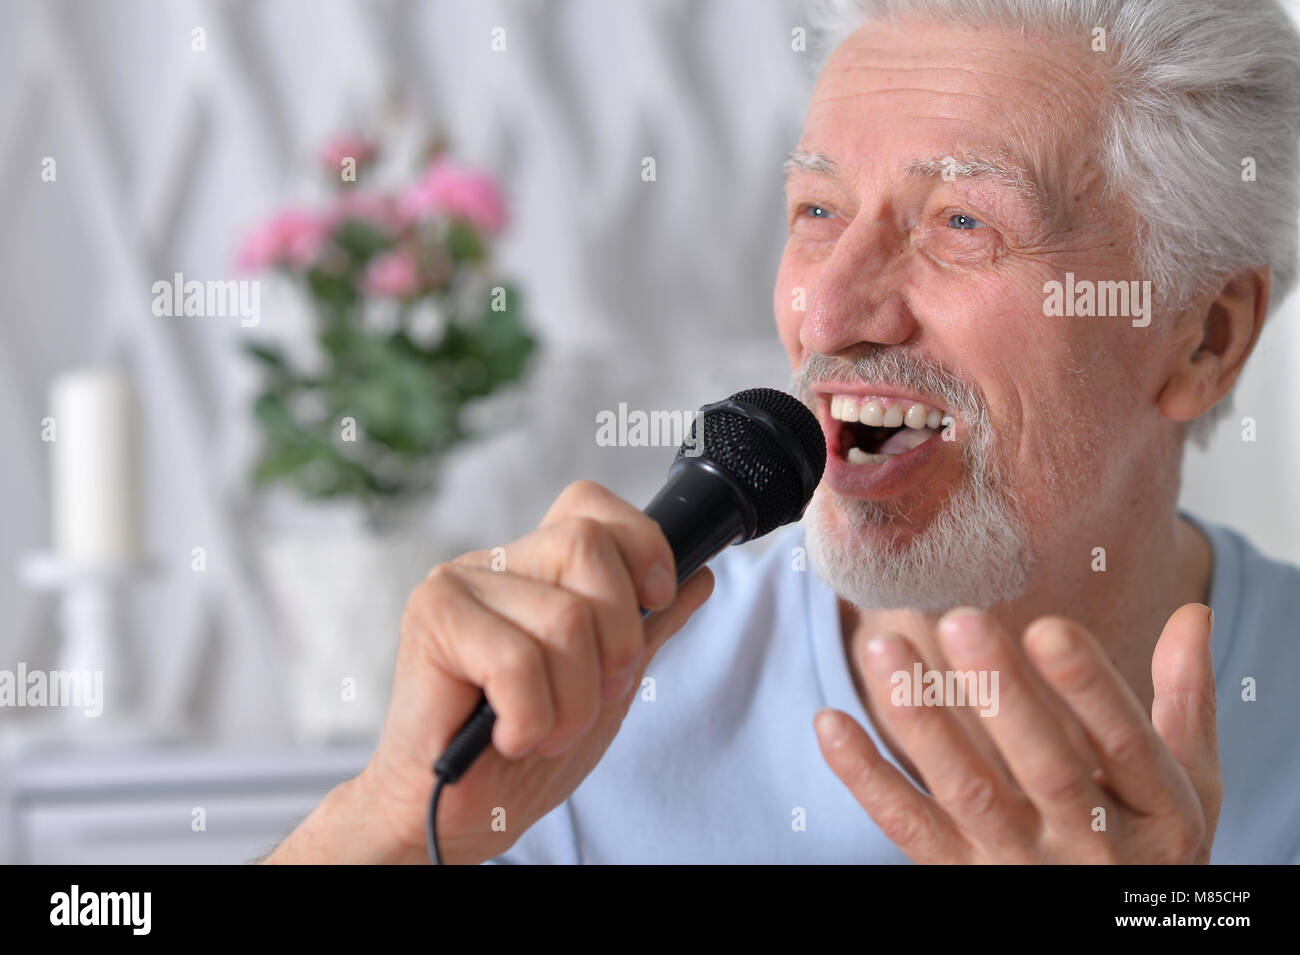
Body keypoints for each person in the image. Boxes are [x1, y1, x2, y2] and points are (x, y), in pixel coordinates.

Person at [267, 0, 1300, 864]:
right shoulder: (585, 714)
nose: (831, 311)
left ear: (1202, 338)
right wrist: (388, 828)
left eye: (962, 223)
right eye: (816, 211)